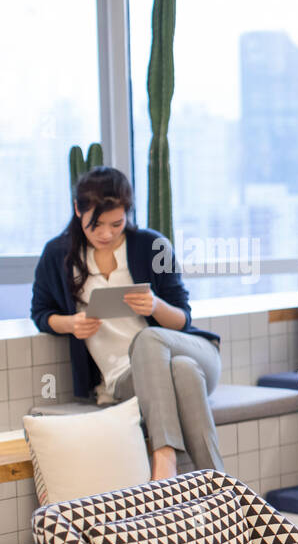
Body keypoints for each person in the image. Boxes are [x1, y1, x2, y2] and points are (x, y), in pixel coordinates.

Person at [31, 167, 224, 481]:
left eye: (117, 224)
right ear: (78, 209)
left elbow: (183, 319)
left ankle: (164, 461)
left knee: (150, 341)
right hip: (126, 377)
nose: (107, 233)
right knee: (184, 373)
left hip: (192, 352)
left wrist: (156, 306)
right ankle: (221, 490)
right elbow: (40, 312)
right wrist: (71, 324)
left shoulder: (150, 245)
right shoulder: (57, 254)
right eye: (97, 224)